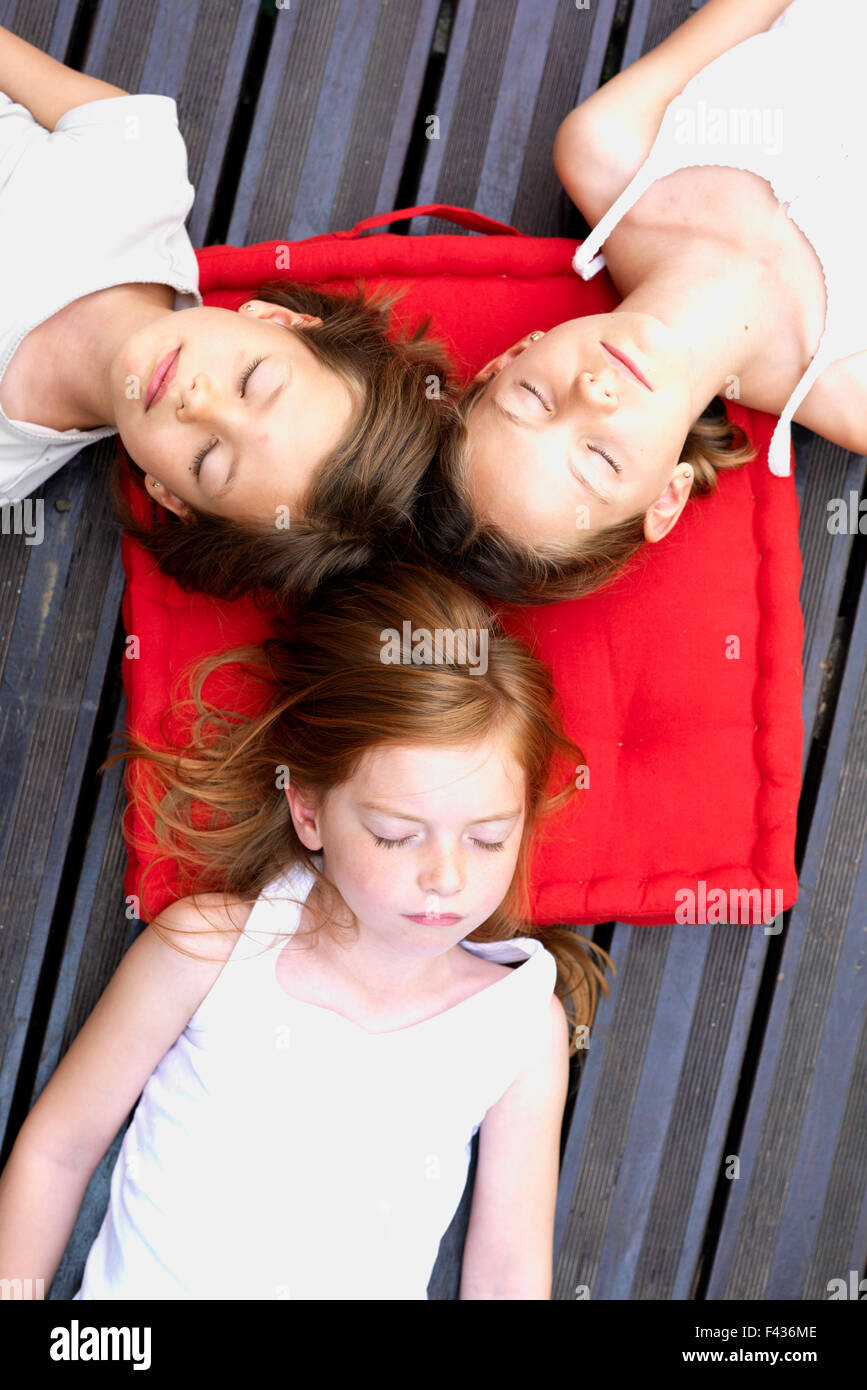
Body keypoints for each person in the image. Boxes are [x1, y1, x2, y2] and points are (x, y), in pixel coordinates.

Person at [0, 561, 611, 1300]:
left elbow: (509, 1271)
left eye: (487, 838)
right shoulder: (210, 953)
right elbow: (59, 1152)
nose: (446, 878)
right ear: (310, 811)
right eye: (395, 834)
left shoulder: (516, 1025)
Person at [419, 0, 867, 604]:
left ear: (512, 358)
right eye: (600, 459)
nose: (591, 394)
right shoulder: (853, 392)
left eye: (532, 397)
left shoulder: (607, 153)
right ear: (668, 496)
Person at [0, 26, 450, 602]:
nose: (199, 403)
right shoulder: (139, 169)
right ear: (277, 318)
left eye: (209, 459)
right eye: (252, 380)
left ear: (170, 496)